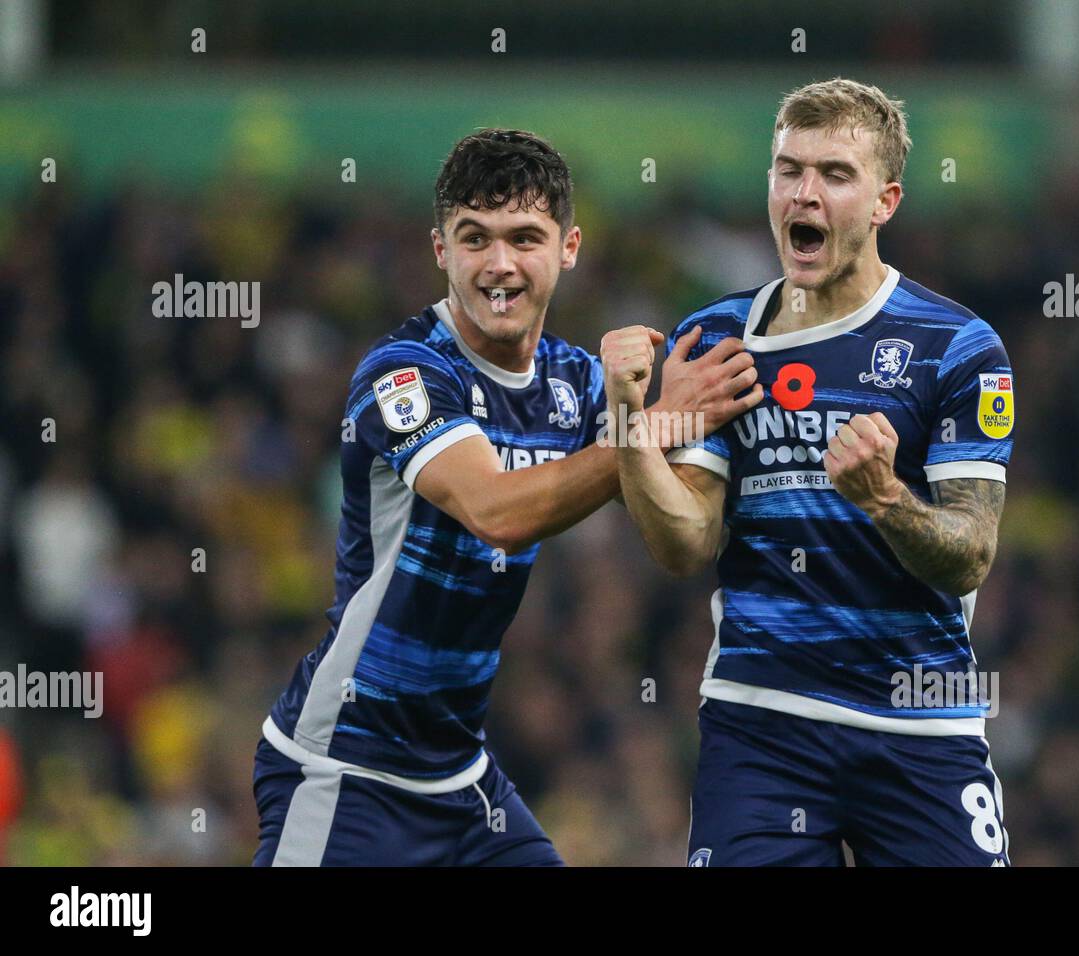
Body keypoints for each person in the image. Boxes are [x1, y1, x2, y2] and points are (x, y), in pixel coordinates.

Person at [253, 129, 760, 866]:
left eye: (525, 237)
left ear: (569, 247)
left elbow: (678, 526)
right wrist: (650, 422)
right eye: (474, 239)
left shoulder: (576, 382)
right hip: (347, 771)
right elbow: (500, 514)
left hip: (460, 780)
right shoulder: (405, 374)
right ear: (441, 251)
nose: (498, 265)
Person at [604, 79, 1016, 866]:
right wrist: (631, 425)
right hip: (763, 721)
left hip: (918, 722)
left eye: (835, 174)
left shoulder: (958, 347)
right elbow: (686, 541)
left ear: (885, 200)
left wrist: (887, 500)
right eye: (788, 170)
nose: (805, 193)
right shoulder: (719, 336)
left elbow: (971, 552)